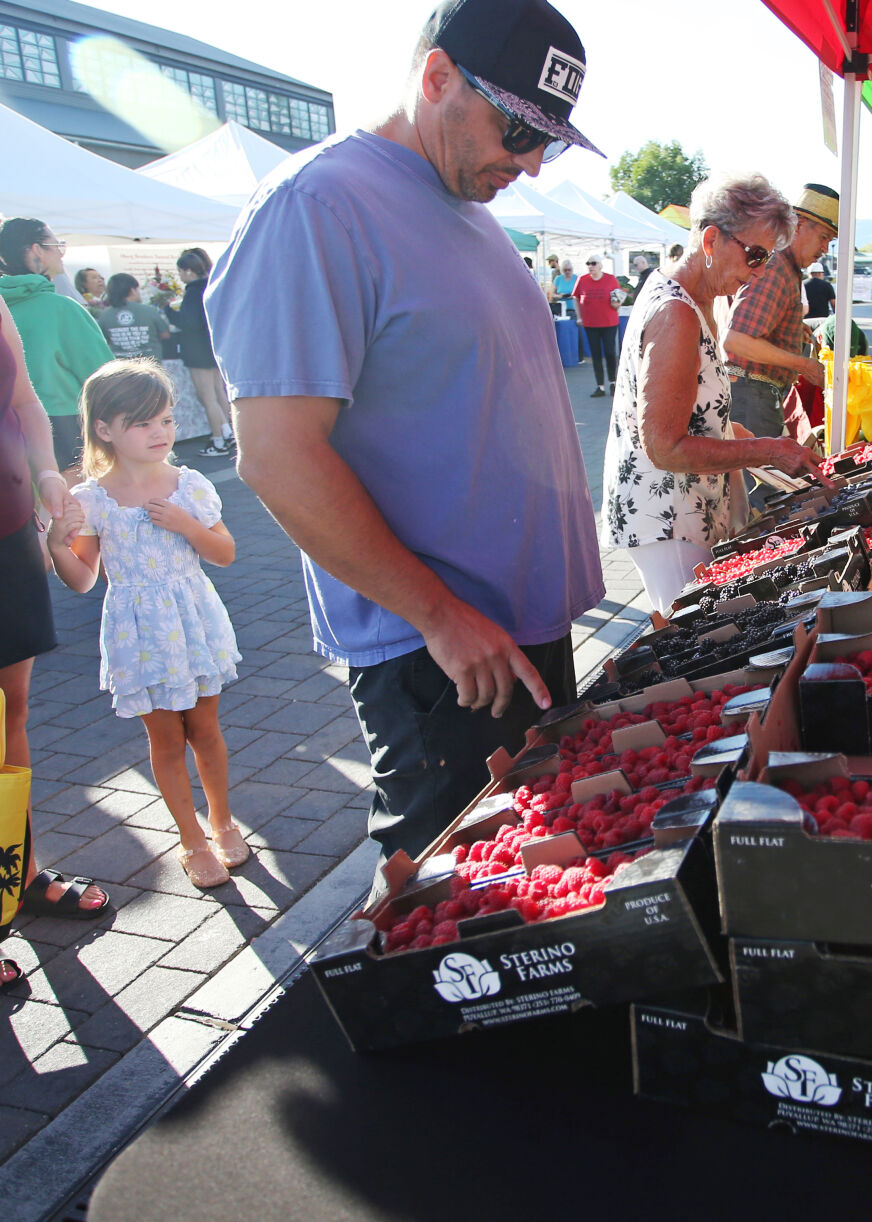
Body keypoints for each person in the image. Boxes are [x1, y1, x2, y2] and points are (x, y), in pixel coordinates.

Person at [205, 0, 606, 882]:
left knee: (541, 887)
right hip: (443, 655)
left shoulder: (468, 204)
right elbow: (275, 454)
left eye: (552, 141)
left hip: (514, 633)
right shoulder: (316, 205)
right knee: (450, 910)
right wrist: (437, 615)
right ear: (436, 79)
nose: (532, 162)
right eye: (518, 129)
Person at [46, 360, 245, 889]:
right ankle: (191, 840)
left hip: (193, 621)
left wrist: (186, 525)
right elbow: (83, 578)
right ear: (104, 429)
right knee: (165, 739)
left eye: (166, 419)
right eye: (142, 422)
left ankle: (223, 822)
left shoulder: (190, 484)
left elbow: (224, 553)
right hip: (139, 633)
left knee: (205, 729)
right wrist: (55, 547)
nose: (160, 432)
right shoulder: (91, 499)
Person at [601, 173, 830, 612]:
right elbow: (665, 447)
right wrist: (764, 450)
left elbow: (695, 413)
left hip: (688, 509)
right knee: (690, 638)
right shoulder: (677, 315)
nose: (758, 270)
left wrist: (739, 435)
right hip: (667, 518)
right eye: (756, 254)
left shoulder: (696, 297)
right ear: (711, 239)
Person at [1, 297, 111, 988]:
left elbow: (25, 401)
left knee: (11, 714)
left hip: (6, 529)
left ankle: (16, 874)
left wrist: (46, 474)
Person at [722, 184, 838, 442]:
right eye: (824, 237)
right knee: (762, 480)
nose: (825, 249)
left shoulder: (787, 267)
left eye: (830, 241)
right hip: (750, 394)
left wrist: (793, 328)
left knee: (765, 478)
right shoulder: (776, 268)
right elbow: (736, 340)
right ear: (798, 226)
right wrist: (804, 365)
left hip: (757, 392)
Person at [0, 219, 114, 474]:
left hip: (8, 429)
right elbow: (104, 377)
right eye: (56, 245)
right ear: (37, 250)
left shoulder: (4, 310)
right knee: (73, 508)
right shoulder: (61, 308)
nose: (61, 254)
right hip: (64, 428)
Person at [173, 249, 235, 457]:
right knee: (218, 392)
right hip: (212, 347)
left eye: (180, 271)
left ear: (188, 271)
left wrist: (167, 312)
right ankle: (228, 432)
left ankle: (218, 440)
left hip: (198, 350)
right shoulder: (211, 286)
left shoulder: (193, 292)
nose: (180, 276)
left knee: (207, 396)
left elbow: (187, 322)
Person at [97, 274, 175, 362]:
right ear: (132, 291)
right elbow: (165, 335)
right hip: (150, 365)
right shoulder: (149, 311)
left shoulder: (105, 315)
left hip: (121, 368)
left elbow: (101, 340)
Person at [573, 255, 620, 394]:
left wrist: (617, 304)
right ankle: (600, 386)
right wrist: (579, 316)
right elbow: (575, 297)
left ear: (600, 265)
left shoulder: (610, 279)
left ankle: (613, 382)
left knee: (610, 352)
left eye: (593, 263)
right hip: (590, 323)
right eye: (588, 263)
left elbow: (617, 298)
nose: (591, 266)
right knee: (596, 354)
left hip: (609, 322)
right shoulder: (582, 280)